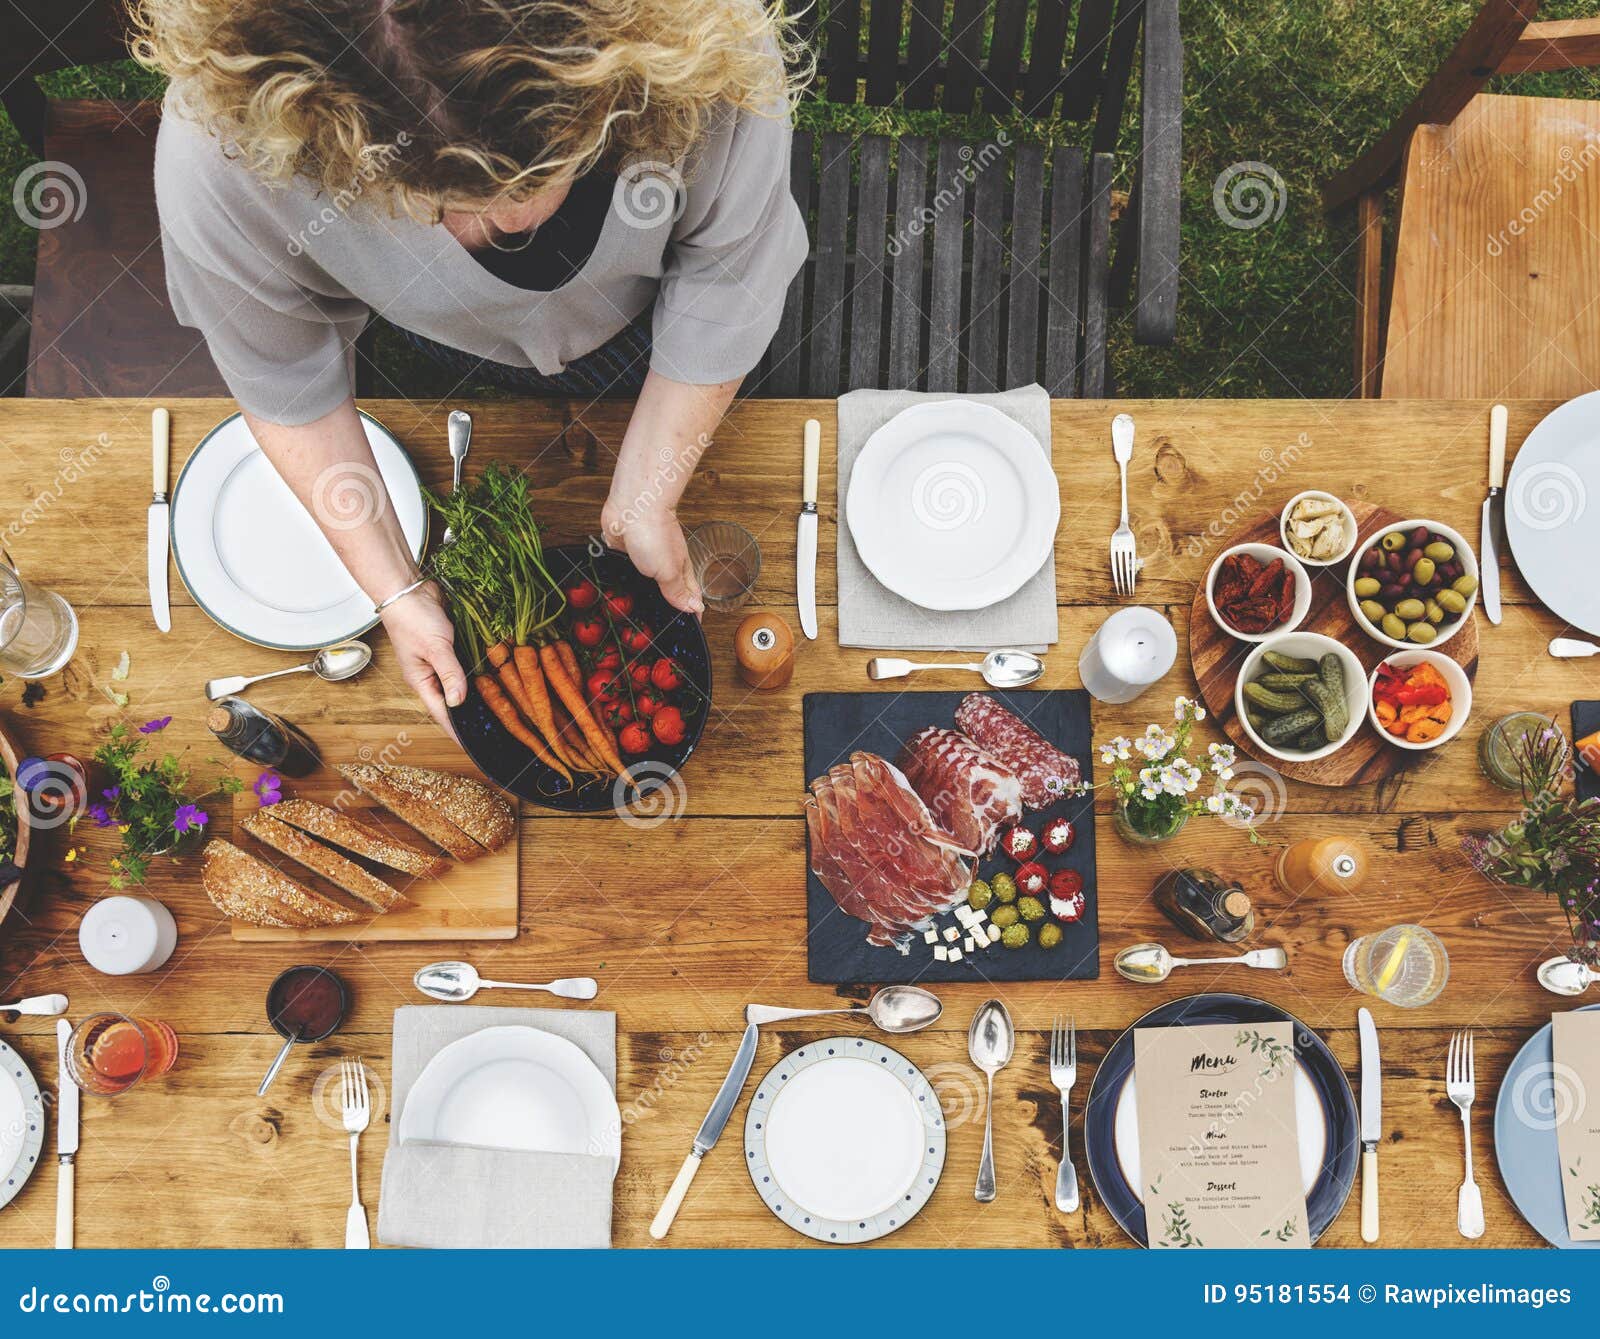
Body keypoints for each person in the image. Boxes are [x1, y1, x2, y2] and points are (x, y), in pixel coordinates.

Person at [137, 0, 806, 730]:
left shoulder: (706, 43)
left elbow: (728, 276)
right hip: (454, 339)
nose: (515, 223)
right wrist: (396, 591)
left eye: (554, 165)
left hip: (658, 313)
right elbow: (284, 375)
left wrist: (649, 493)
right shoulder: (223, 156)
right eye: (441, 201)